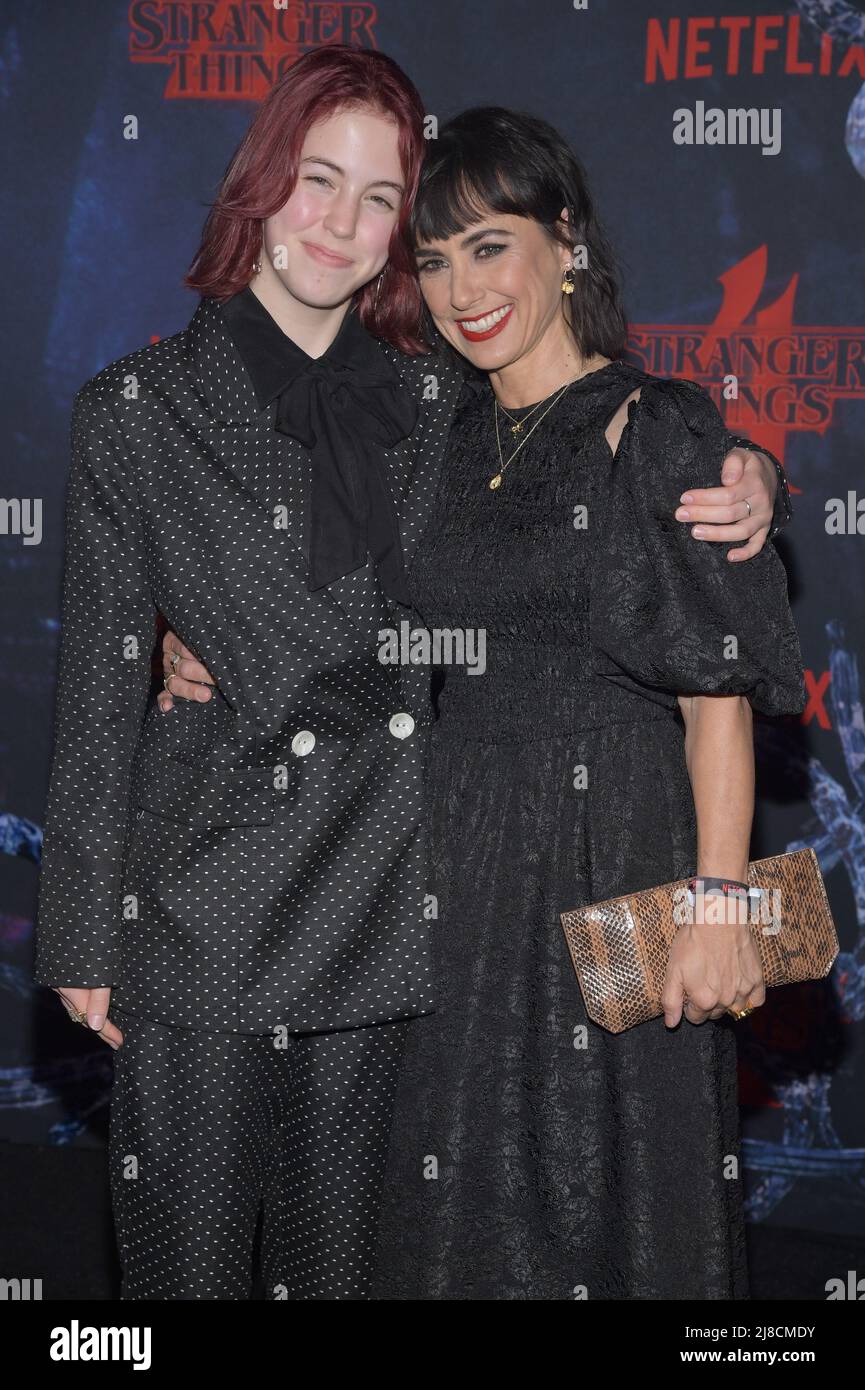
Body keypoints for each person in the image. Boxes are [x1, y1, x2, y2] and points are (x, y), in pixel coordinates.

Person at [48, 50, 787, 1300]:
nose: (342, 224)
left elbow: (635, 471)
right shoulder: (145, 406)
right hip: (228, 908)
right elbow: (95, 691)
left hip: (421, 902)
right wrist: (80, 932)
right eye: (315, 182)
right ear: (259, 188)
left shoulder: (431, 397)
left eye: (379, 199)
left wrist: (759, 474)